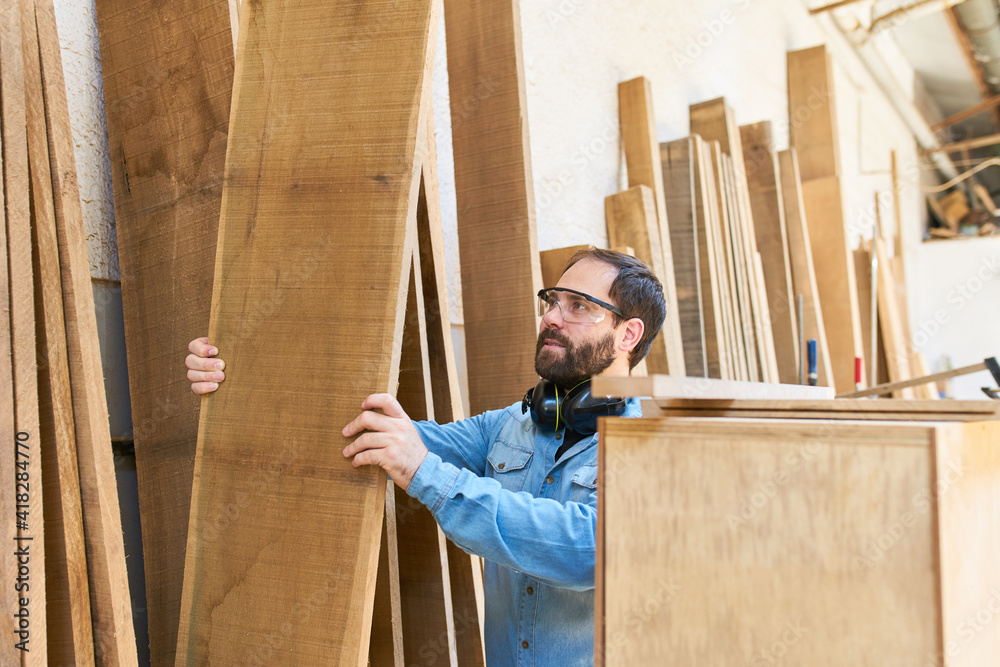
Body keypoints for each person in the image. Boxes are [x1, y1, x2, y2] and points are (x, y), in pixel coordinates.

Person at [185, 247, 666, 666]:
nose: (552, 318)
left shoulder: (657, 444)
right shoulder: (512, 425)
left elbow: (589, 550)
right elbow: (378, 434)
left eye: (579, 306)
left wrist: (426, 475)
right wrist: (238, 375)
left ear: (628, 335)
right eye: (552, 301)